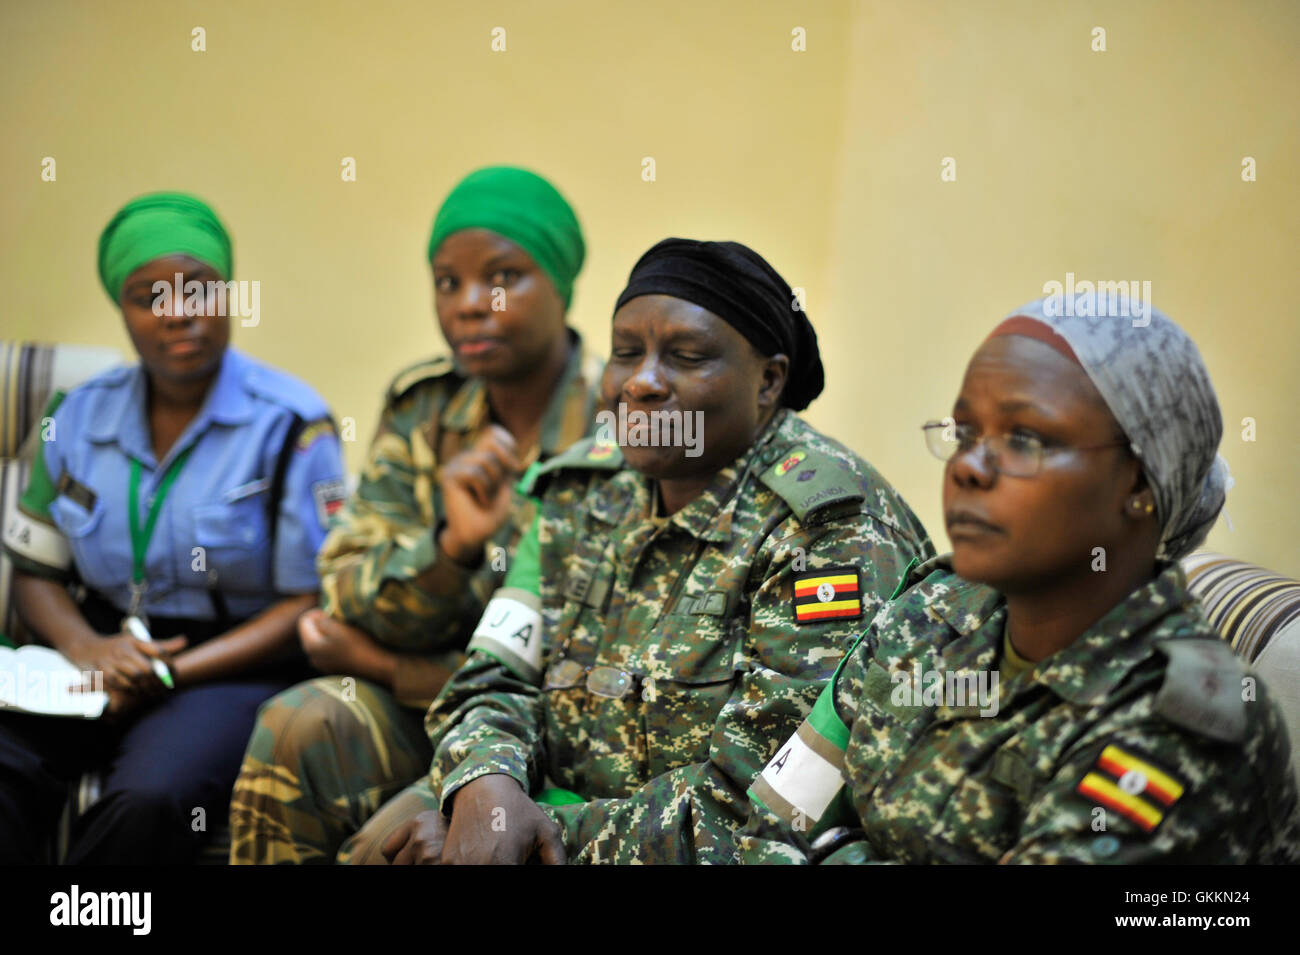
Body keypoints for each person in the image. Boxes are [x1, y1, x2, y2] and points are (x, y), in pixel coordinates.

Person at [360, 237, 934, 865]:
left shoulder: (830, 532)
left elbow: (766, 806)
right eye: (626, 352)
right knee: (377, 845)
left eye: (685, 356)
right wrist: (485, 787)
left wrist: (529, 833)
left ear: (769, 380)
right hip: (540, 807)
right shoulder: (584, 491)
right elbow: (494, 676)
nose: (641, 382)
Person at [738, 294, 1300, 864]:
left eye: (1026, 440)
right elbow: (772, 823)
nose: (968, 467)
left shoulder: (1182, 729)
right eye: (964, 434)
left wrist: (834, 853)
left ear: (1139, 484)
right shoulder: (929, 612)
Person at [228, 166, 603, 864]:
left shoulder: (620, 424)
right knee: (298, 720)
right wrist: (450, 549)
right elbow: (344, 585)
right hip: (418, 713)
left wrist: (379, 663)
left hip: (541, 736)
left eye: (501, 278)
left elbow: (579, 671)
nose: (467, 305)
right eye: (445, 281)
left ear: (561, 284)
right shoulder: (423, 408)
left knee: (400, 836)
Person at [0, 191, 345, 863]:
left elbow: (310, 601)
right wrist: (87, 648)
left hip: (229, 661)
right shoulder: (75, 417)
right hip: (97, 648)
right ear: (122, 310)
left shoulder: (292, 423)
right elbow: (36, 573)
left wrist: (169, 674)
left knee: (153, 799)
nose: (179, 312)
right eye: (147, 295)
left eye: (199, 289)